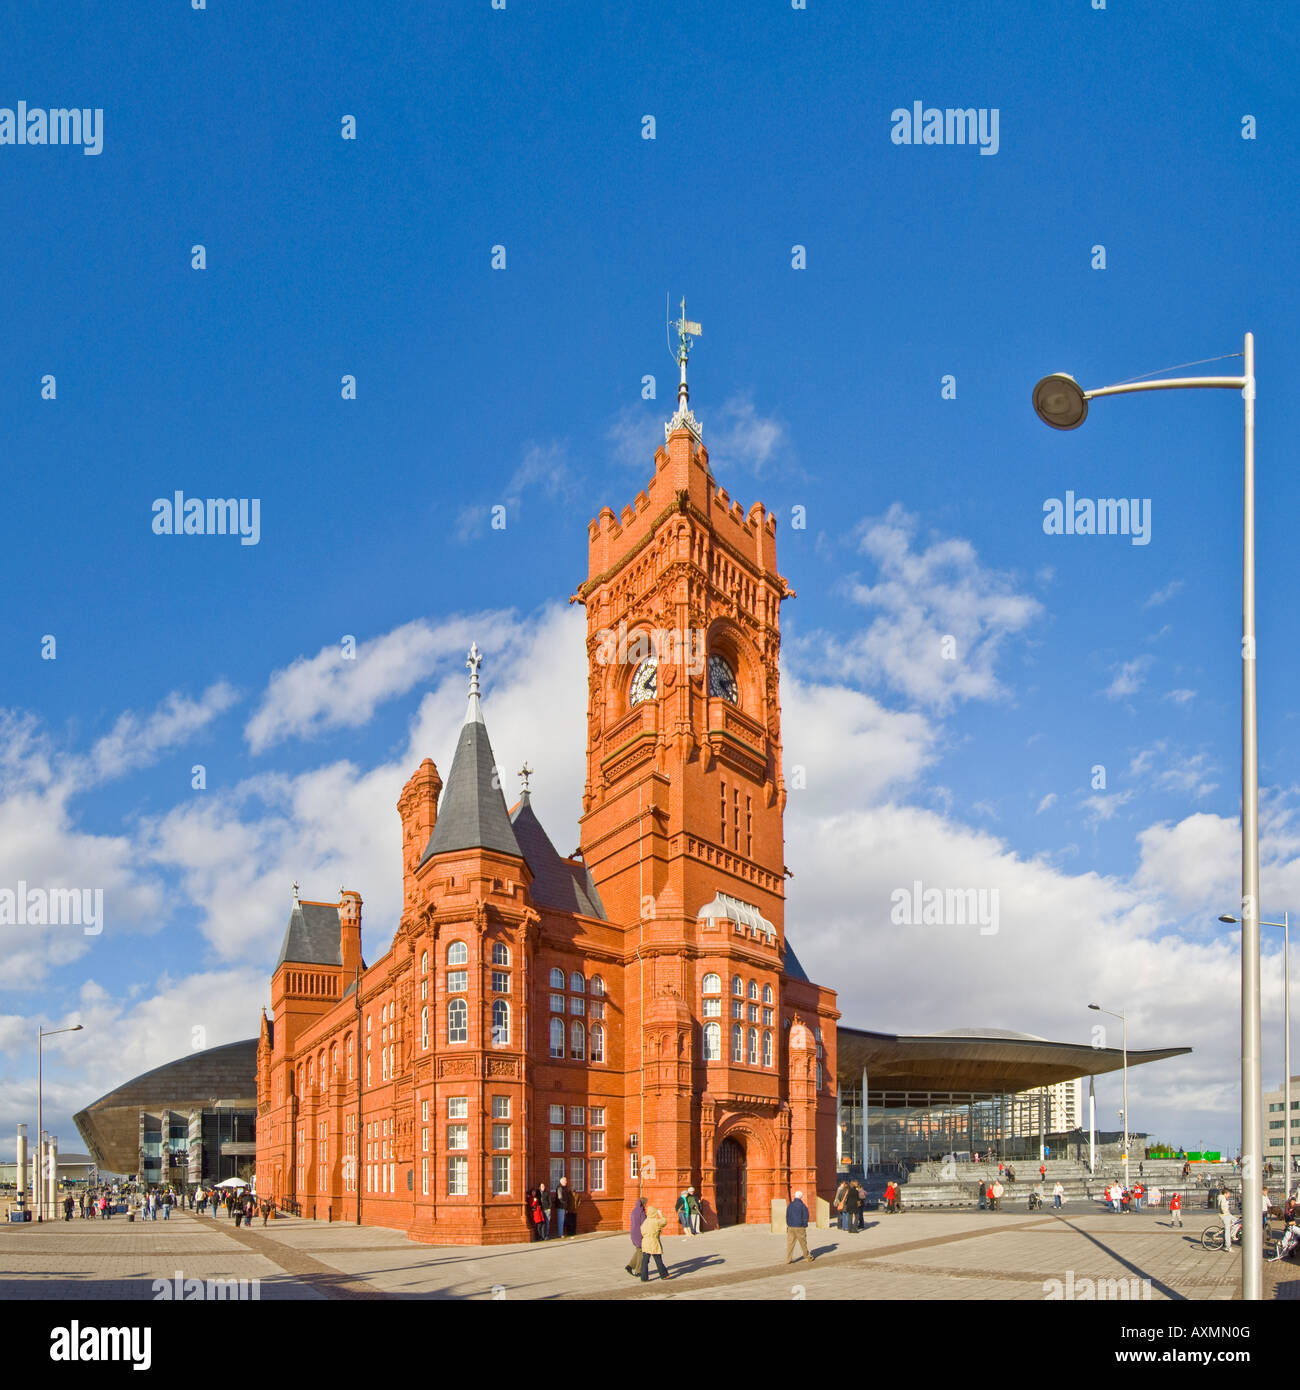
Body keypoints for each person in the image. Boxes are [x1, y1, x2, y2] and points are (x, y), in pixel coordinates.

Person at [639, 1204, 670, 1281]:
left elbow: (642, 1231)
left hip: (645, 1242)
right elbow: (664, 1221)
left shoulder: (645, 1222)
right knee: (658, 1260)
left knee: (645, 1261)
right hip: (653, 1241)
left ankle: (644, 1277)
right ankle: (664, 1275)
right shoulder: (656, 1222)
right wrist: (661, 1214)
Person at [785, 1190, 815, 1264]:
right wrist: (804, 1225)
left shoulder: (790, 1205)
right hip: (799, 1227)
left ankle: (788, 1259)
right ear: (801, 1197)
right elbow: (805, 1217)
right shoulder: (803, 1206)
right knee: (803, 1243)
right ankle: (808, 1257)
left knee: (790, 1243)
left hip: (791, 1226)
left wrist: (789, 1224)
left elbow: (787, 1216)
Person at [625, 1197, 646, 1277]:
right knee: (642, 1252)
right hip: (639, 1234)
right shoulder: (642, 1213)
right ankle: (638, 1271)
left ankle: (630, 1266)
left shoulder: (634, 1211)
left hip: (633, 1233)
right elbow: (644, 1224)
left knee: (638, 1250)